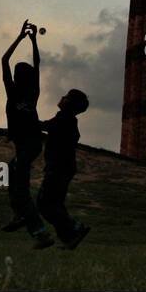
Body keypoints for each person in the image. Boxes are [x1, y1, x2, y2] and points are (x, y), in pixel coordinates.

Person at [0, 19, 52, 246]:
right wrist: (28, 39)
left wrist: (25, 38)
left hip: (29, 144)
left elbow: (5, 60)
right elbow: (36, 64)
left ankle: (40, 232)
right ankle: (19, 215)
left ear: (18, 77)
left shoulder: (24, 92)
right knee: (12, 177)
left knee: (20, 189)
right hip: (26, 145)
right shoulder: (29, 92)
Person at [36, 89, 92, 250]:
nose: (61, 98)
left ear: (69, 103)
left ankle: (75, 228)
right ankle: (69, 238)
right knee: (55, 204)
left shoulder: (64, 119)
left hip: (58, 167)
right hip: (63, 167)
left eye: (65, 97)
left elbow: (46, 126)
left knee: (45, 203)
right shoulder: (67, 120)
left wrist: (28, 120)